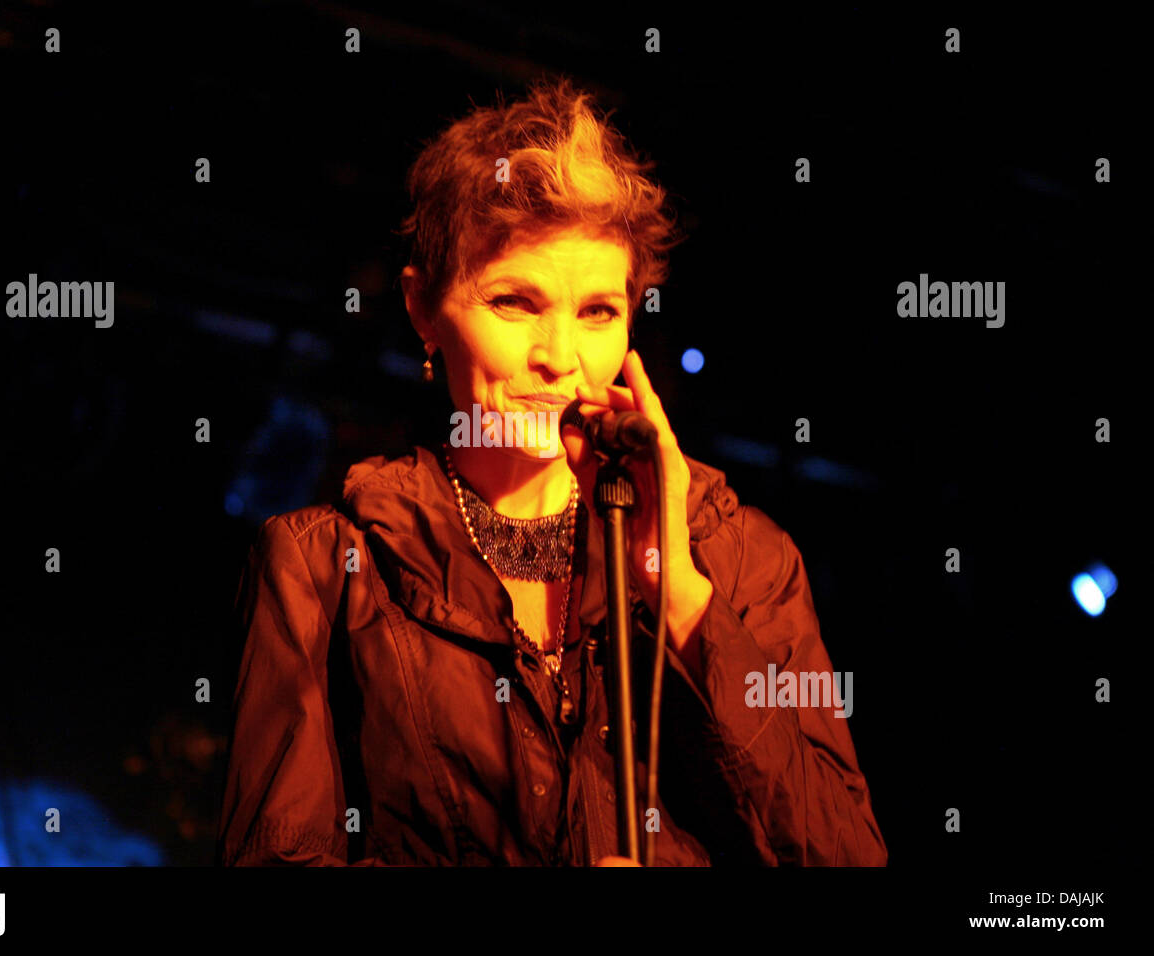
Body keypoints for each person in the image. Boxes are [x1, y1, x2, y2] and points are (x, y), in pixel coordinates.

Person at [217, 76, 887, 866]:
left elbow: (843, 856)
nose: (560, 359)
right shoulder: (321, 566)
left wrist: (679, 597)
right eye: (515, 302)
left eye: (598, 311)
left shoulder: (743, 556)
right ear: (423, 310)